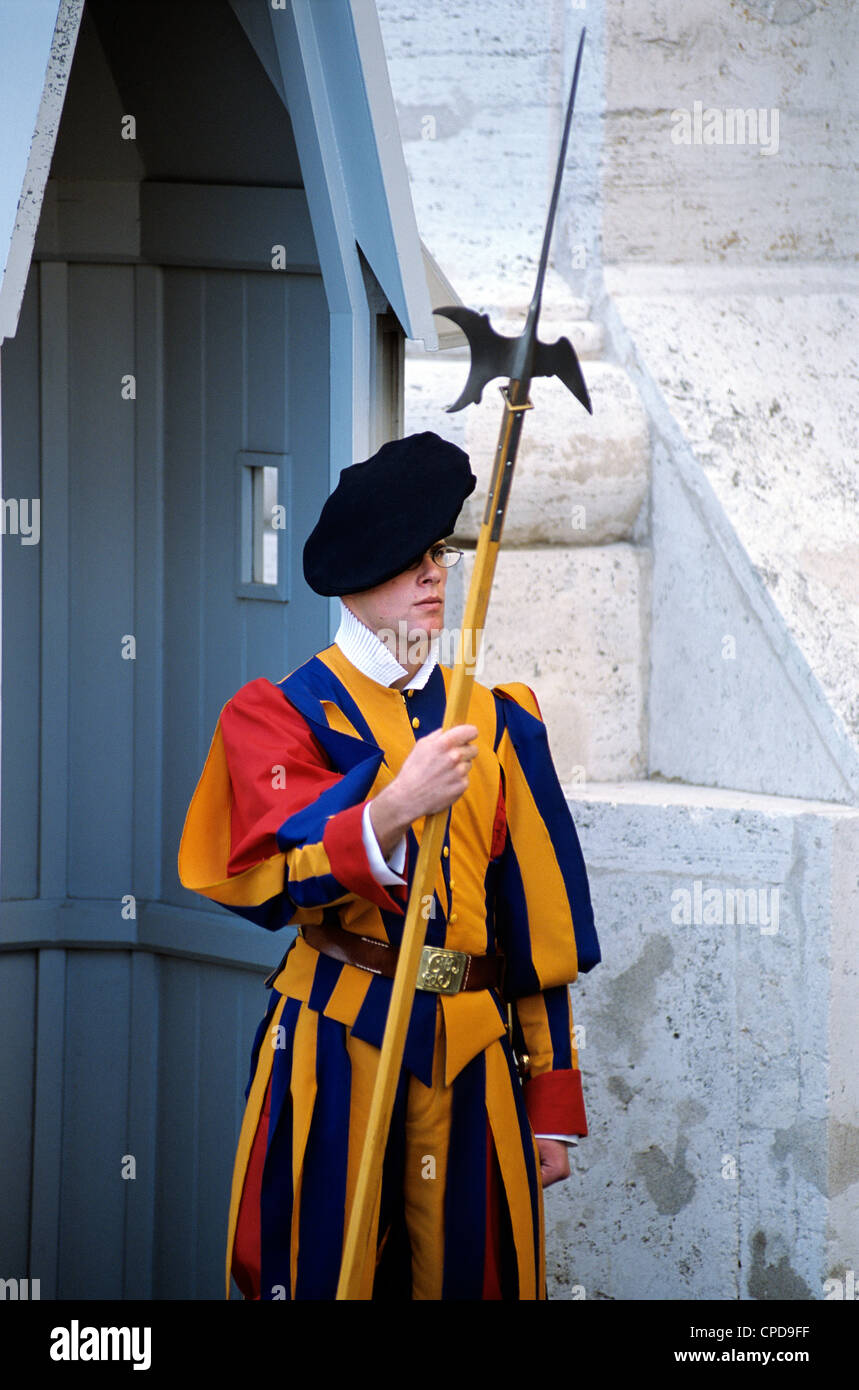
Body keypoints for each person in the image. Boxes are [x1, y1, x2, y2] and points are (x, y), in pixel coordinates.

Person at [178, 431, 600, 1300]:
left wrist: (551, 1101)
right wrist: (391, 810)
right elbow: (269, 880)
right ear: (354, 577)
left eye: (438, 553)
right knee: (322, 1271)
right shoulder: (279, 715)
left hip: (474, 1046)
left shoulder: (498, 719)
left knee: (475, 1279)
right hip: (336, 1037)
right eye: (409, 559)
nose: (434, 574)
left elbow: (534, 931)